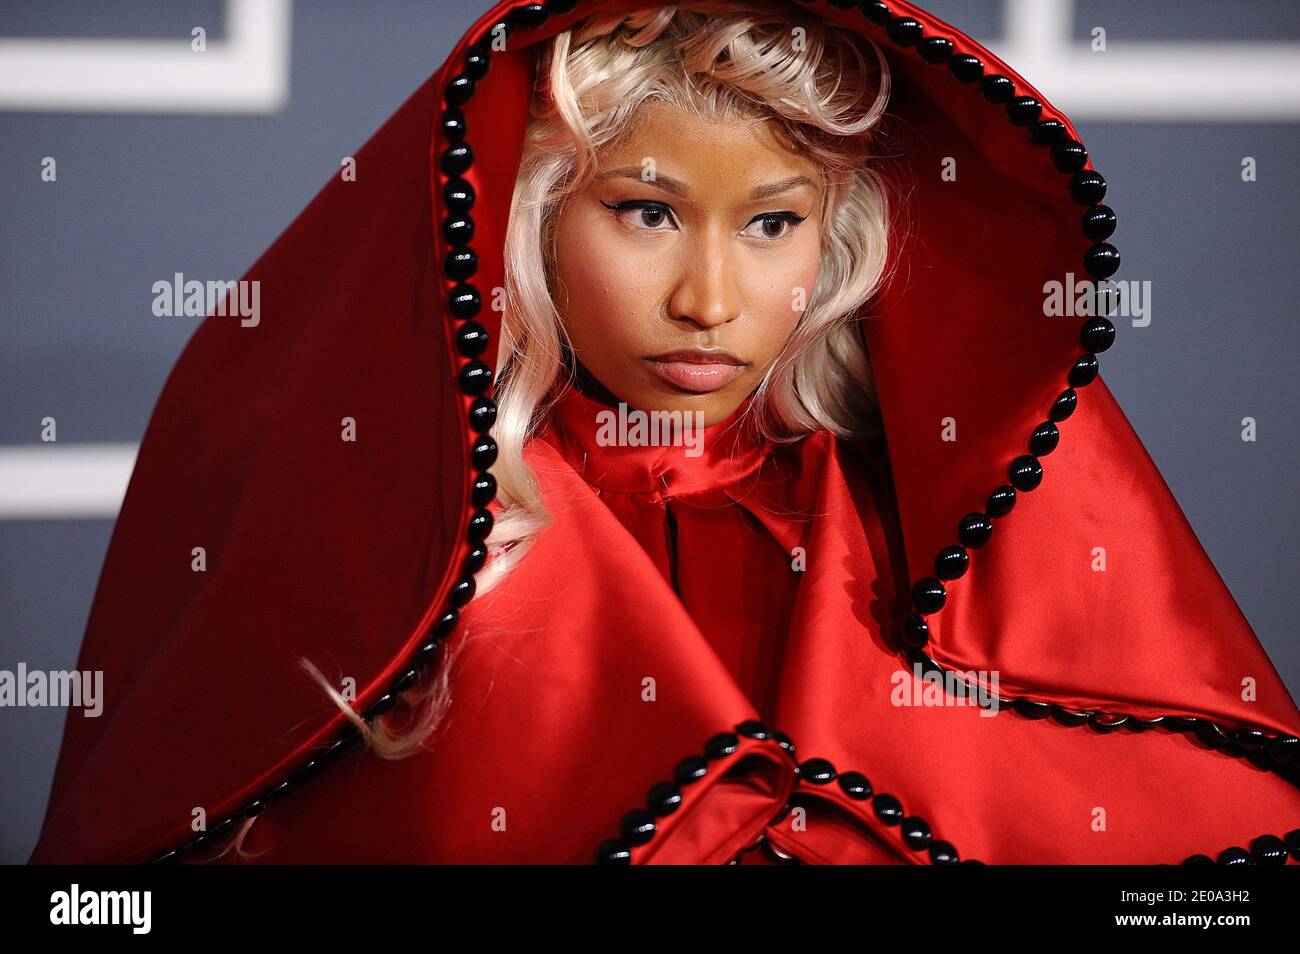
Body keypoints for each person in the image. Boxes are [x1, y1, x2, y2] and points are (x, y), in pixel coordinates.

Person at [29, 0, 1300, 866]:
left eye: (771, 224)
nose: (708, 299)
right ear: (529, 215)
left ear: (835, 235)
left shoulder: (933, 562)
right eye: (644, 211)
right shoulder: (401, 570)